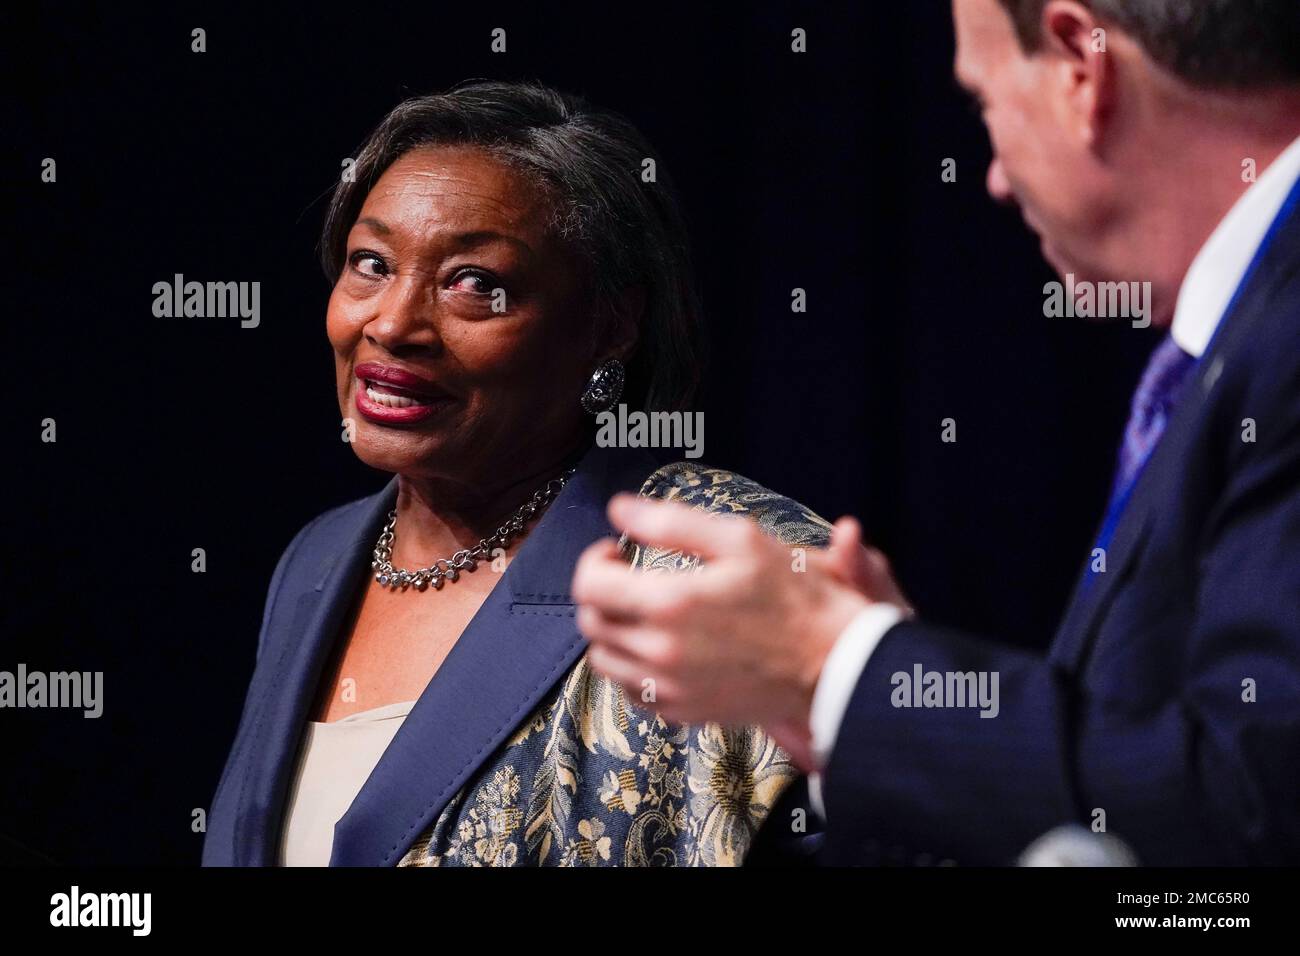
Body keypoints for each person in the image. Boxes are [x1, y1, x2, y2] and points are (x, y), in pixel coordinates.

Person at [573, 0, 1300, 865]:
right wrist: (880, 696)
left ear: (1081, 63)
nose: (992, 175)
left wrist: (841, 660)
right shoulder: (1245, 343)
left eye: (984, 99)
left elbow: (1253, 820)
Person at [202, 80, 827, 867]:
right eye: (371, 263)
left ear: (609, 326)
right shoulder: (315, 564)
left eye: (473, 283)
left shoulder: (726, 564)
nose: (392, 324)